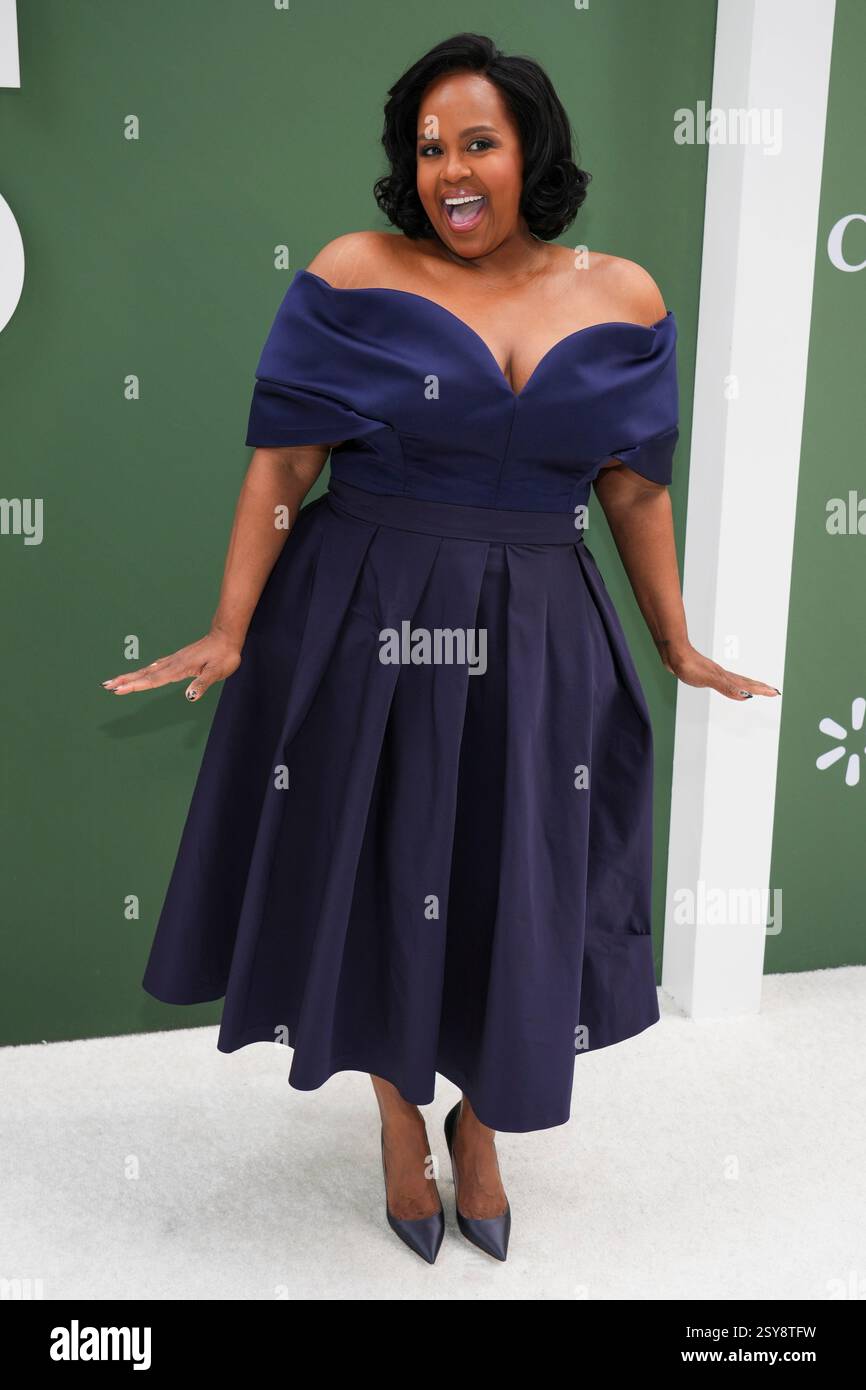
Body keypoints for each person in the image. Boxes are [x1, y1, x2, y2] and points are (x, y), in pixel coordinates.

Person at [105, 32, 779, 1265]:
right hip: (367, 613)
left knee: (509, 878)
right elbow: (284, 463)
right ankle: (396, 1120)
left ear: (532, 150)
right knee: (374, 860)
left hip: (537, 630)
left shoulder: (621, 293)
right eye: (426, 148)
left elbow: (633, 491)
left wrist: (675, 639)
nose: (449, 171)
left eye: (477, 142)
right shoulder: (354, 271)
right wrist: (230, 623)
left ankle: (481, 1119)